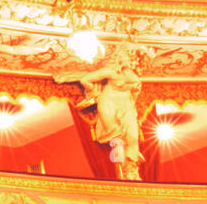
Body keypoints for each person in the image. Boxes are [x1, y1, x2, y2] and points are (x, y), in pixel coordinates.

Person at [56, 43, 147, 180]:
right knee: (116, 137)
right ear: (122, 57)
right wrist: (93, 91)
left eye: (134, 58)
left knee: (133, 138)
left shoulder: (133, 75)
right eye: (130, 56)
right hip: (108, 102)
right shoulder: (110, 72)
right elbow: (84, 79)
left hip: (127, 106)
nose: (132, 60)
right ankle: (123, 173)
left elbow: (134, 94)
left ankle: (132, 170)